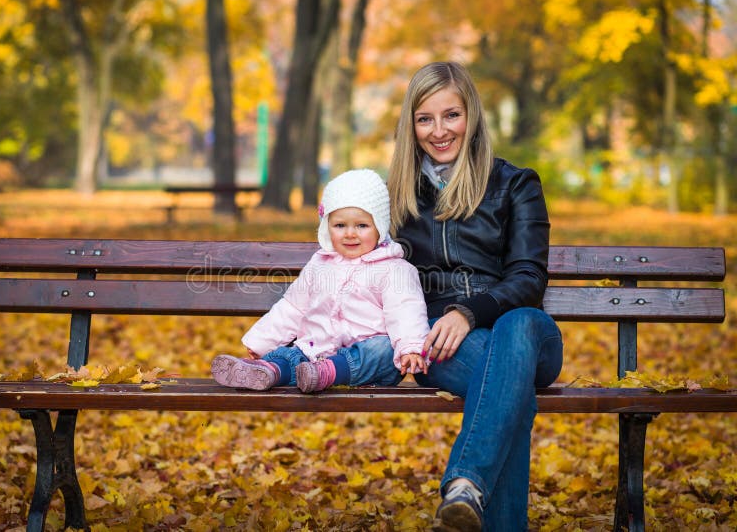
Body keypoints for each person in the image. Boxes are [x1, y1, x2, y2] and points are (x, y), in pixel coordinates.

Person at [387, 61, 564, 531]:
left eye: (451, 115)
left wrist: (469, 312)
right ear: (412, 125)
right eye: (425, 118)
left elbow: (529, 277)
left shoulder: (515, 184)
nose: (439, 130)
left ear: (472, 116)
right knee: (512, 392)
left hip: (525, 336)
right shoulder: (398, 196)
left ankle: (466, 476)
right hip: (442, 347)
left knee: (519, 324)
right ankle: (469, 493)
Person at [211, 169, 432, 394]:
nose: (350, 234)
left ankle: (325, 372)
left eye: (362, 225)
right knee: (293, 354)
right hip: (316, 351)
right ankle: (268, 370)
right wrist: (262, 341)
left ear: (380, 227)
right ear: (327, 226)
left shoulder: (394, 269)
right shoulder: (320, 265)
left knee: (382, 349)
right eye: (340, 225)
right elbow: (293, 307)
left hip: (366, 360)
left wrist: (411, 348)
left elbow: (406, 311)